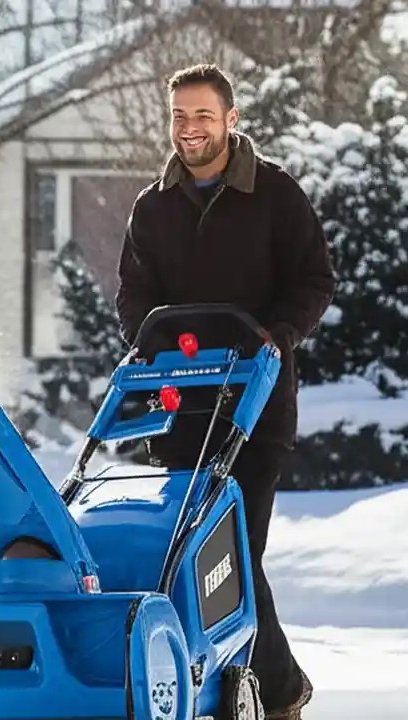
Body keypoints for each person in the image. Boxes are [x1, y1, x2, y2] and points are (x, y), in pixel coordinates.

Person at [114, 64, 335, 719]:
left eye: (203, 116)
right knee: (188, 551)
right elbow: (134, 294)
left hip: (256, 407)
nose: (190, 128)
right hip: (181, 408)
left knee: (234, 553)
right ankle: (222, 686)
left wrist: (277, 334)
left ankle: (277, 692)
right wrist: (151, 340)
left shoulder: (274, 195)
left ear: (231, 120)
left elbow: (314, 279)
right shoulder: (153, 207)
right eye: (179, 116)